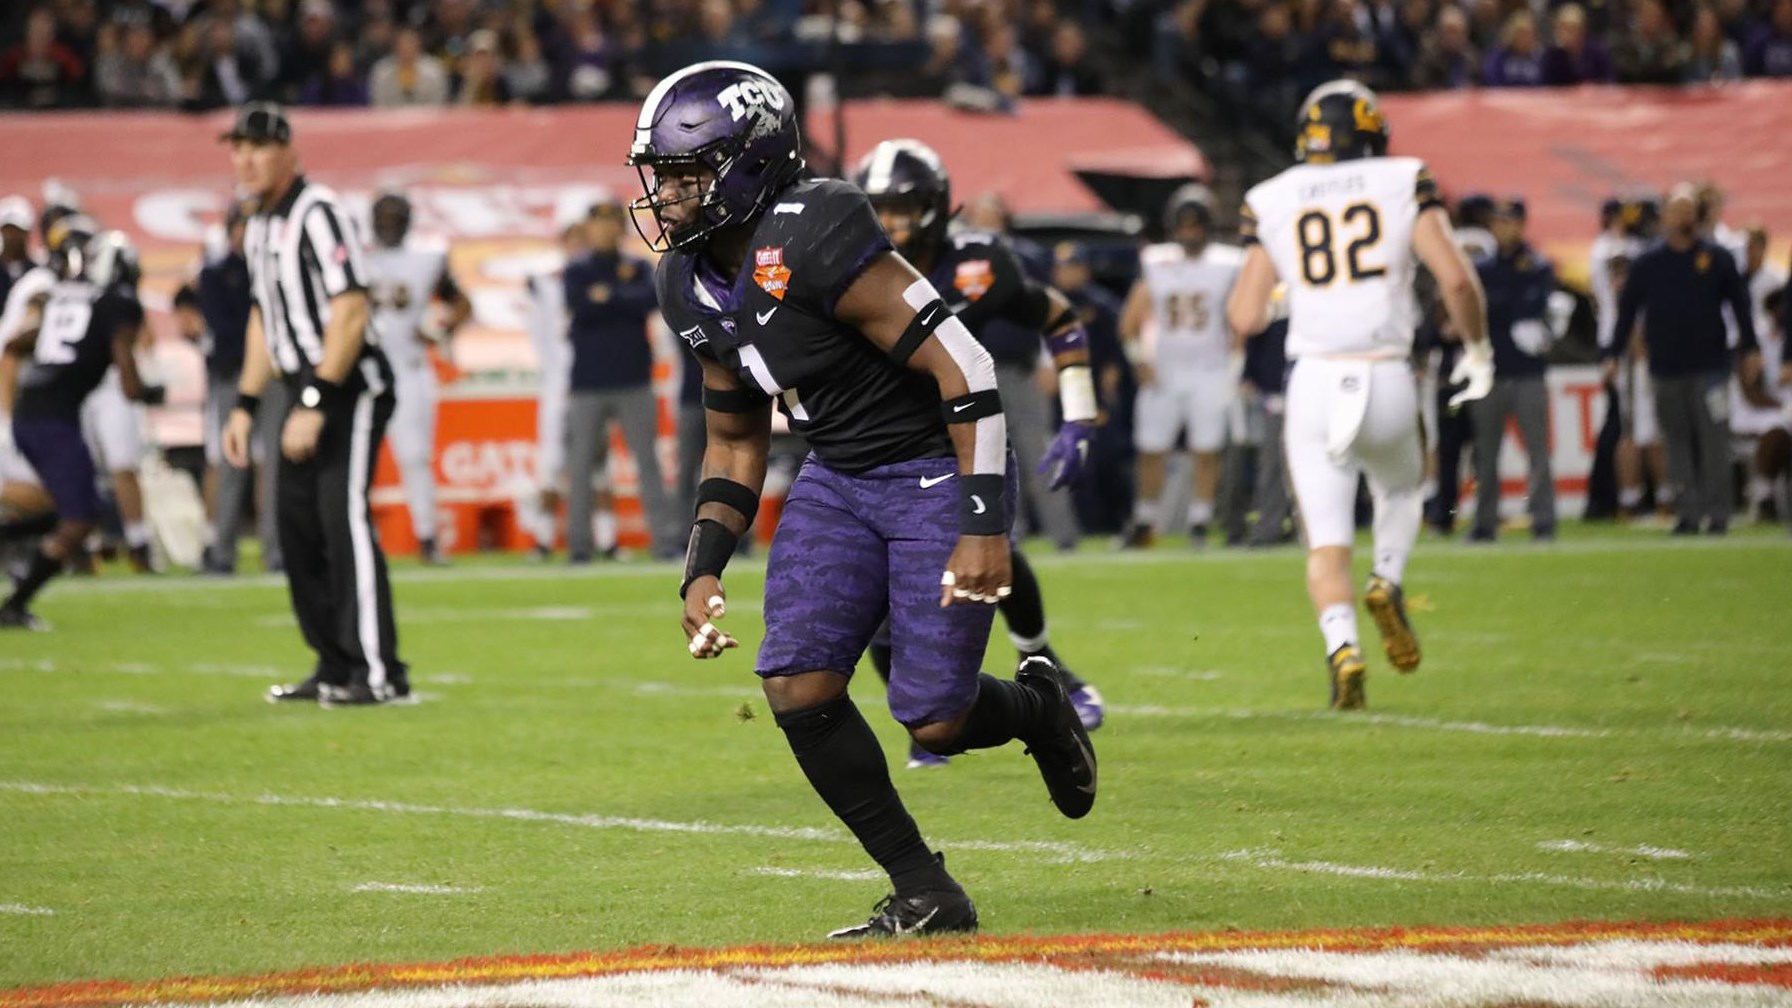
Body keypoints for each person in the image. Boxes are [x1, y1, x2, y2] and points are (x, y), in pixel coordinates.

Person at [634, 60, 1095, 937]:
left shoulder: (816, 225)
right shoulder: (682, 280)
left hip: (931, 470)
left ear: (748, 162)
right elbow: (735, 436)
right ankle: (926, 890)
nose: (670, 196)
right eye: (663, 178)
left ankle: (1039, 709)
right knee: (797, 684)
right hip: (839, 479)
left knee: (937, 716)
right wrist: (700, 568)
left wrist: (983, 521)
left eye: (687, 174)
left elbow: (967, 366)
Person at [1225, 79, 1493, 710]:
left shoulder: (1272, 196)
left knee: (1325, 541)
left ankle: (1342, 647)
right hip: (1386, 372)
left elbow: (1245, 317)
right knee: (1402, 489)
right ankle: (1388, 578)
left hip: (1314, 382)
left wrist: (1299, 287)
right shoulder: (1401, 179)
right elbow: (1455, 278)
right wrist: (1479, 349)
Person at [851, 137, 1108, 769]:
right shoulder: (845, 262)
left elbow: (1058, 316)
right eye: (879, 208)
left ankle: (1043, 663)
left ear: (937, 207)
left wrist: (1077, 413)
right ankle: (920, 720)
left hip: (960, 437)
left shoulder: (978, 262)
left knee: (995, 551)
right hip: (877, 443)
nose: (891, 223)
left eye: (903, 208)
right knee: (880, 589)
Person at [219, 102, 411, 705]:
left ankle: (379, 674)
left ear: (288, 151)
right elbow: (263, 316)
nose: (245, 159)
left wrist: (314, 399)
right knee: (294, 523)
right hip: (304, 382)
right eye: (238, 147)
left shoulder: (317, 210)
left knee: (341, 516)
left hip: (348, 383)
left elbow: (350, 311)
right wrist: (246, 402)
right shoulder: (256, 222)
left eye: (259, 147)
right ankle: (333, 664)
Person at [1, 228, 158, 629]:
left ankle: (16, 602)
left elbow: (17, 343)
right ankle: (14, 606)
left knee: (73, 511)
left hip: (34, 412)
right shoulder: (117, 305)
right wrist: (151, 390)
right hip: (50, 420)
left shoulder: (63, 295)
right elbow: (128, 382)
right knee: (79, 517)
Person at [1606, 183, 1761, 536]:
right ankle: (1687, 512)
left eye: (1689, 210)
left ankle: (1718, 512)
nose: (1684, 217)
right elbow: (1628, 311)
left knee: (1714, 439)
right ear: (1664, 216)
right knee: (1675, 442)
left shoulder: (1717, 257)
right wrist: (1613, 353)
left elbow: (1740, 305)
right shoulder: (1649, 263)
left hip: (1711, 366)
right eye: (1677, 211)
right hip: (1666, 367)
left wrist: (1750, 348)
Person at [1120, 184, 1244, 549]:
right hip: (1165, 368)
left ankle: (1200, 522)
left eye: (1196, 224)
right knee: (1150, 448)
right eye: (1184, 224)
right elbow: (1130, 320)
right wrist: (1138, 359)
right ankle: (1145, 521)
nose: (1190, 231)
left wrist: (1235, 369)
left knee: (1206, 449)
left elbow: (1238, 320)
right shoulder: (1156, 261)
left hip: (1211, 368)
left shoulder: (1228, 262)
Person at [563, 199, 677, 563]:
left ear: (621, 228)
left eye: (612, 222)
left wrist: (607, 297)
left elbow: (650, 298)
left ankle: (663, 542)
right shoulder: (576, 270)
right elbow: (578, 304)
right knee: (580, 466)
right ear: (589, 228)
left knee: (648, 463)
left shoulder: (639, 266)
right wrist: (619, 298)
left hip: (634, 380)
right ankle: (579, 546)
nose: (605, 229)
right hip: (587, 382)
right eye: (599, 223)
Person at [363, 190, 471, 564]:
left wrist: (440, 333)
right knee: (359, 461)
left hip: (408, 371)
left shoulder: (426, 260)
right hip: (363, 373)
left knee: (415, 458)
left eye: (395, 218)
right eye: (383, 217)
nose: (388, 225)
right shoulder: (357, 260)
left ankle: (426, 537)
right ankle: (360, 538)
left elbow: (461, 303)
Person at [189, 198, 286, 575]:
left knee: (276, 465)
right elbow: (224, 326)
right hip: (234, 375)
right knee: (231, 462)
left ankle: (275, 549)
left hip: (274, 375)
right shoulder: (216, 273)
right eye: (241, 226)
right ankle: (222, 549)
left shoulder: (274, 271)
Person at [1468, 198, 1557, 542]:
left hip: (1528, 372)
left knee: (1537, 451)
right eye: (1498, 222)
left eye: (1509, 222)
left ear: (1521, 225)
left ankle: (1543, 520)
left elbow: (1532, 307)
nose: (1503, 228)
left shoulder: (1537, 265)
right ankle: (1484, 522)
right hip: (1490, 371)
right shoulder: (1484, 267)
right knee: (1486, 454)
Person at [519, 206, 585, 560]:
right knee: (550, 463)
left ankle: (605, 538)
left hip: (591, 381)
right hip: (558, 383)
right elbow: (539, 336)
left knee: (597, 462)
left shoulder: (595, 278)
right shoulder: (547, 284)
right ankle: (542, 538)